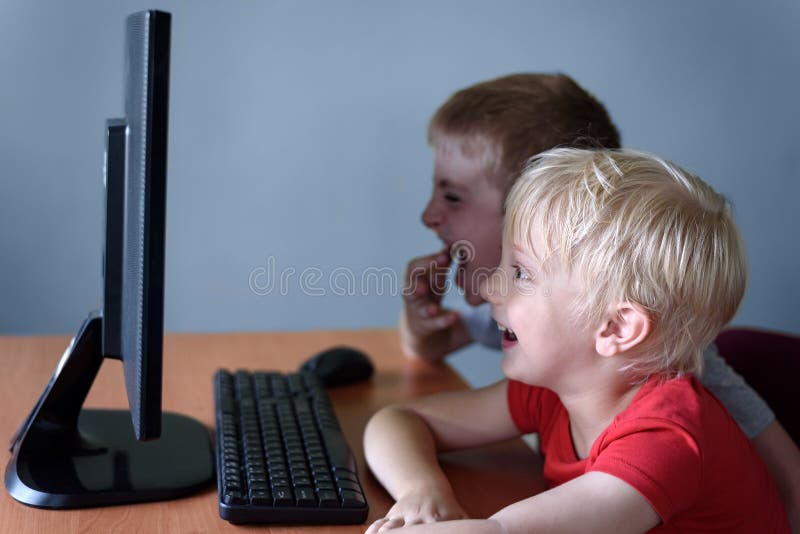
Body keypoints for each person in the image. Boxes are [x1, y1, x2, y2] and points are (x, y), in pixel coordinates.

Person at [400, 73, 800, 529]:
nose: (429, 216)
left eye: (520, 272)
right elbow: (408, 399)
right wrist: (420, 488)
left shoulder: (669, 414)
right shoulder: (562, 374)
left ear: (616, 328)